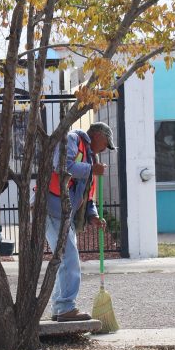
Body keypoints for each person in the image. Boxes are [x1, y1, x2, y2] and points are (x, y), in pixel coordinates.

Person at [46, 122, 112, 322]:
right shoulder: (73, 139)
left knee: (66, 260)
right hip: (52, 206)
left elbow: (87, 196)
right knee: (70, 259)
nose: (105, 148)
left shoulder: (92, 157)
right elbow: (62, 166)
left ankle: (59, 308)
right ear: (97, 135)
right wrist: (92, 169)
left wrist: (92, 216)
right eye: (106, 143)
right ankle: (65, 307)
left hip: (67, 214)